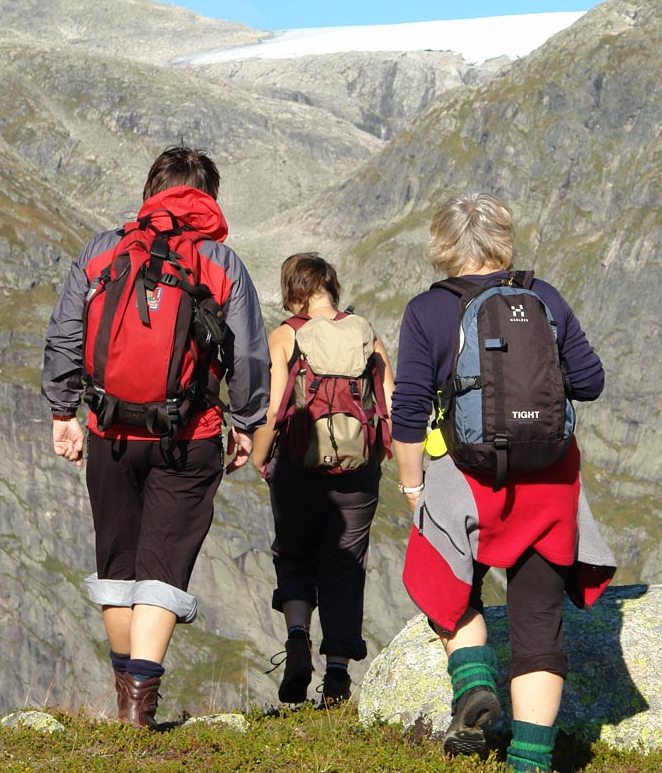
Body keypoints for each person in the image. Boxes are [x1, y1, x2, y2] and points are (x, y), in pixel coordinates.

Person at [43, 146, 270, 729]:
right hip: (190, 434)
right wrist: (246, 424)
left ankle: (126, 698)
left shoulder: (103, 250)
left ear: (151, 190)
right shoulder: (220, 262)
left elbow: (66, 331)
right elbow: (247, 352)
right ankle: (138, 705)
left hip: (109, 430)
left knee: (118, 565)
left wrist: (63, 411)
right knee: (163, 567)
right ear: (209, 198)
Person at [392, 192, 614, 773]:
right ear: (503, 241)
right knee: (538, 618)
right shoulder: (543, 297)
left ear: (443, 247)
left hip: (467, 478)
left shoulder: (427, 311)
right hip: (550, 483)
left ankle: (472, 683)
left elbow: (410, 409)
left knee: (442, 578)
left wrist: (414, 489)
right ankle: (531, 762)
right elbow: (589, 383)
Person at [249, 253, 393, 707]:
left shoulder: (286, 335)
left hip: (298, 467)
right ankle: (336, 677)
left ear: (294, 290)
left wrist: (258, 454)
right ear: (331, 286)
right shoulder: (367, 333)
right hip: (358, 471)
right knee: (346, 564)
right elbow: (389, 401)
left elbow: (274, 410)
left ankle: (296, 639)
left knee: (294, 555)